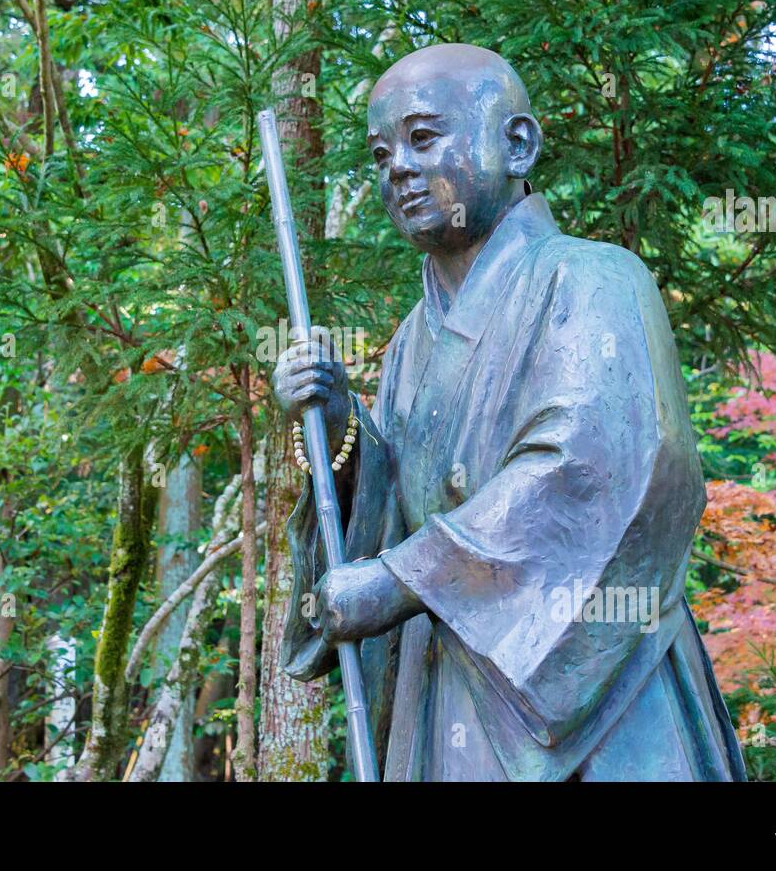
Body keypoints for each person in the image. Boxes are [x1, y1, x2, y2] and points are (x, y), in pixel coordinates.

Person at [272, 43, 746, 781]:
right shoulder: (408, 345)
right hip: (444, 688)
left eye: (423, 137)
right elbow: (387, 499)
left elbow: (595, 467)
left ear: (516, 142)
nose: (397, 166)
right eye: (379, 152)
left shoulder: (593, 278)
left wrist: (401, 581)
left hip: (589, 700)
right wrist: (336, 427)